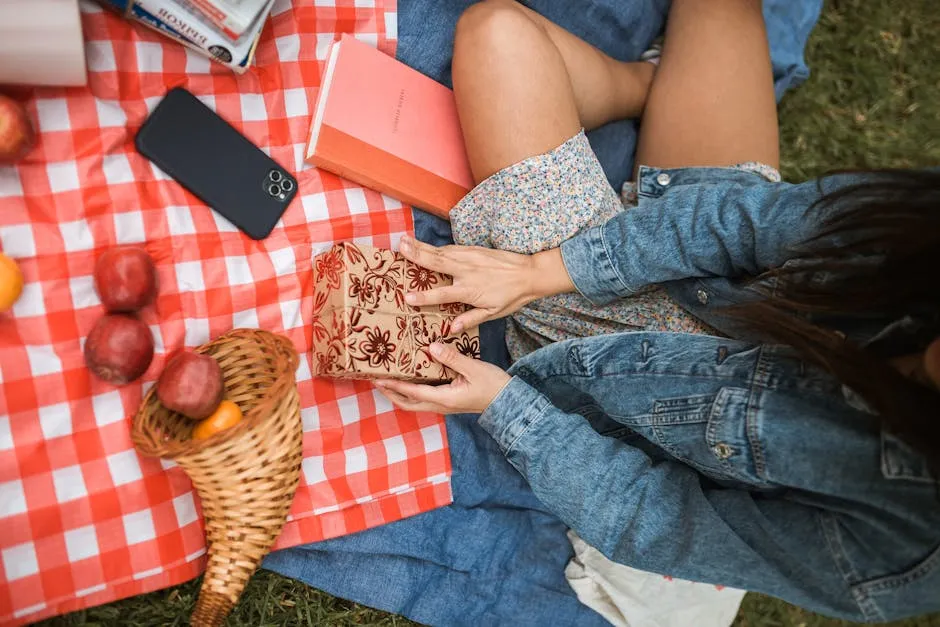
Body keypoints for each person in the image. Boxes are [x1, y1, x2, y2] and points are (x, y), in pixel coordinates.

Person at [374, 0, 940, 622]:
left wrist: (505, 407)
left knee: (498, 34)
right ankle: (643, 86)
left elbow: (659, 520)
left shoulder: (905, 552)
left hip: (615, 355)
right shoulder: (926, 230)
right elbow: (746, 222)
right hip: (719, 267)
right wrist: (543, 270)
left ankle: (650, 89)